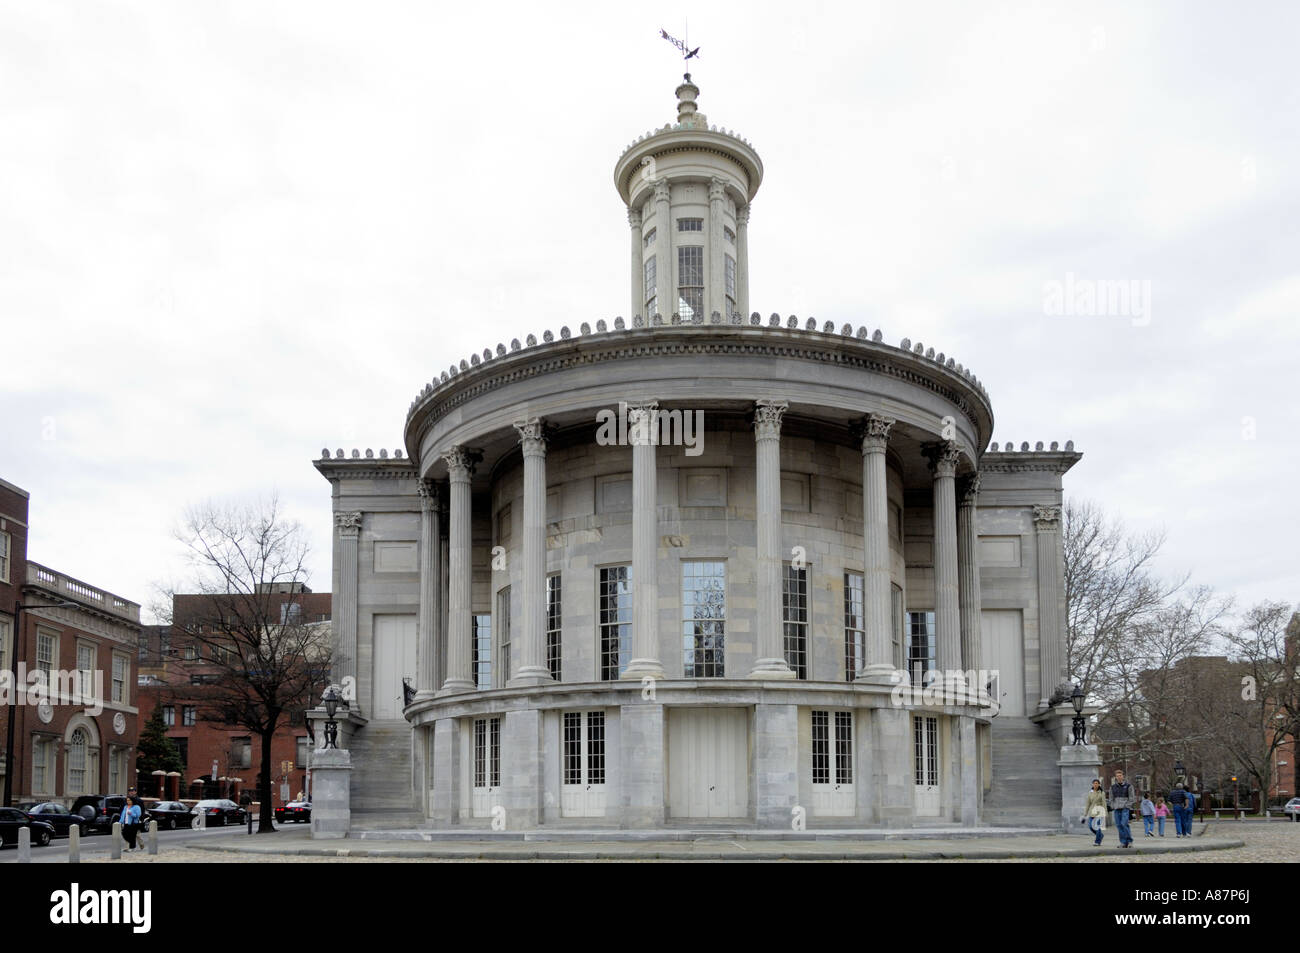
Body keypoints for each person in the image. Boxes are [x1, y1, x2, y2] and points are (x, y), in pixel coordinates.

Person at [1108, 769, 1138, 847]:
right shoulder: (1112, 787)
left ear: (1123, 776)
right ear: (1115, 777)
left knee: (1124, 824)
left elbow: (1132, 798)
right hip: (1116, 809)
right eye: (1117, 776)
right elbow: (1110, 799)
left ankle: (1129, 841)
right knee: (1119, 825)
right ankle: (1123, 842)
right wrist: (1113, 806)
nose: (1119, 777)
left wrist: (1127, 806)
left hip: (1125, 808)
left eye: (1120, 775)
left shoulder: (1128, 786)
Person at [1082, 778, 1107, 845]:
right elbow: (1088, 804)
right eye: (1094, 783)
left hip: (1099, 812)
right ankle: (1100, 835)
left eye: (1097, 783)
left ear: (1099, 784)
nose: (1095, 785)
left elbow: (1104, 803)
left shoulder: (1102, 793)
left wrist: (1105, 813)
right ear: (1092, 784)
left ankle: (1097, 842)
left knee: (1097, 827)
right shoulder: (1090, 793)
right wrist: (1085, 814)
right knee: (1091, 826)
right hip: (1092, 812)